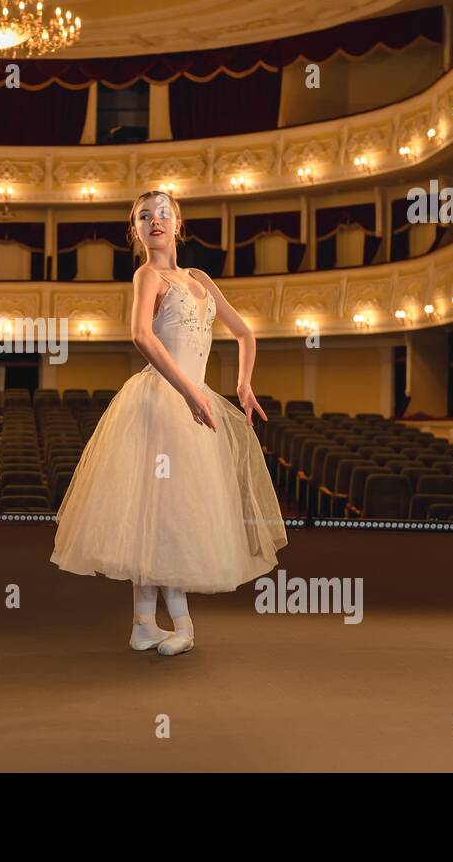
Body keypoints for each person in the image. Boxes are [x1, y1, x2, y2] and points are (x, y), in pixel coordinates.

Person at [50, 190, 288, 656]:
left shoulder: (199, 277)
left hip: (191, 402)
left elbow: (245, 333)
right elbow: (140, 334)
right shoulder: (147, 275)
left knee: (164, 513)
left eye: (163, 213)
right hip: (161, 402)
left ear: (178, 224)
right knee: (157, 513)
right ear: (134, 231)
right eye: (144, 215)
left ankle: (144, 624)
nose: (154, 220)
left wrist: (243, 385)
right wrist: (187, 391)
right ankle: (179, 624)